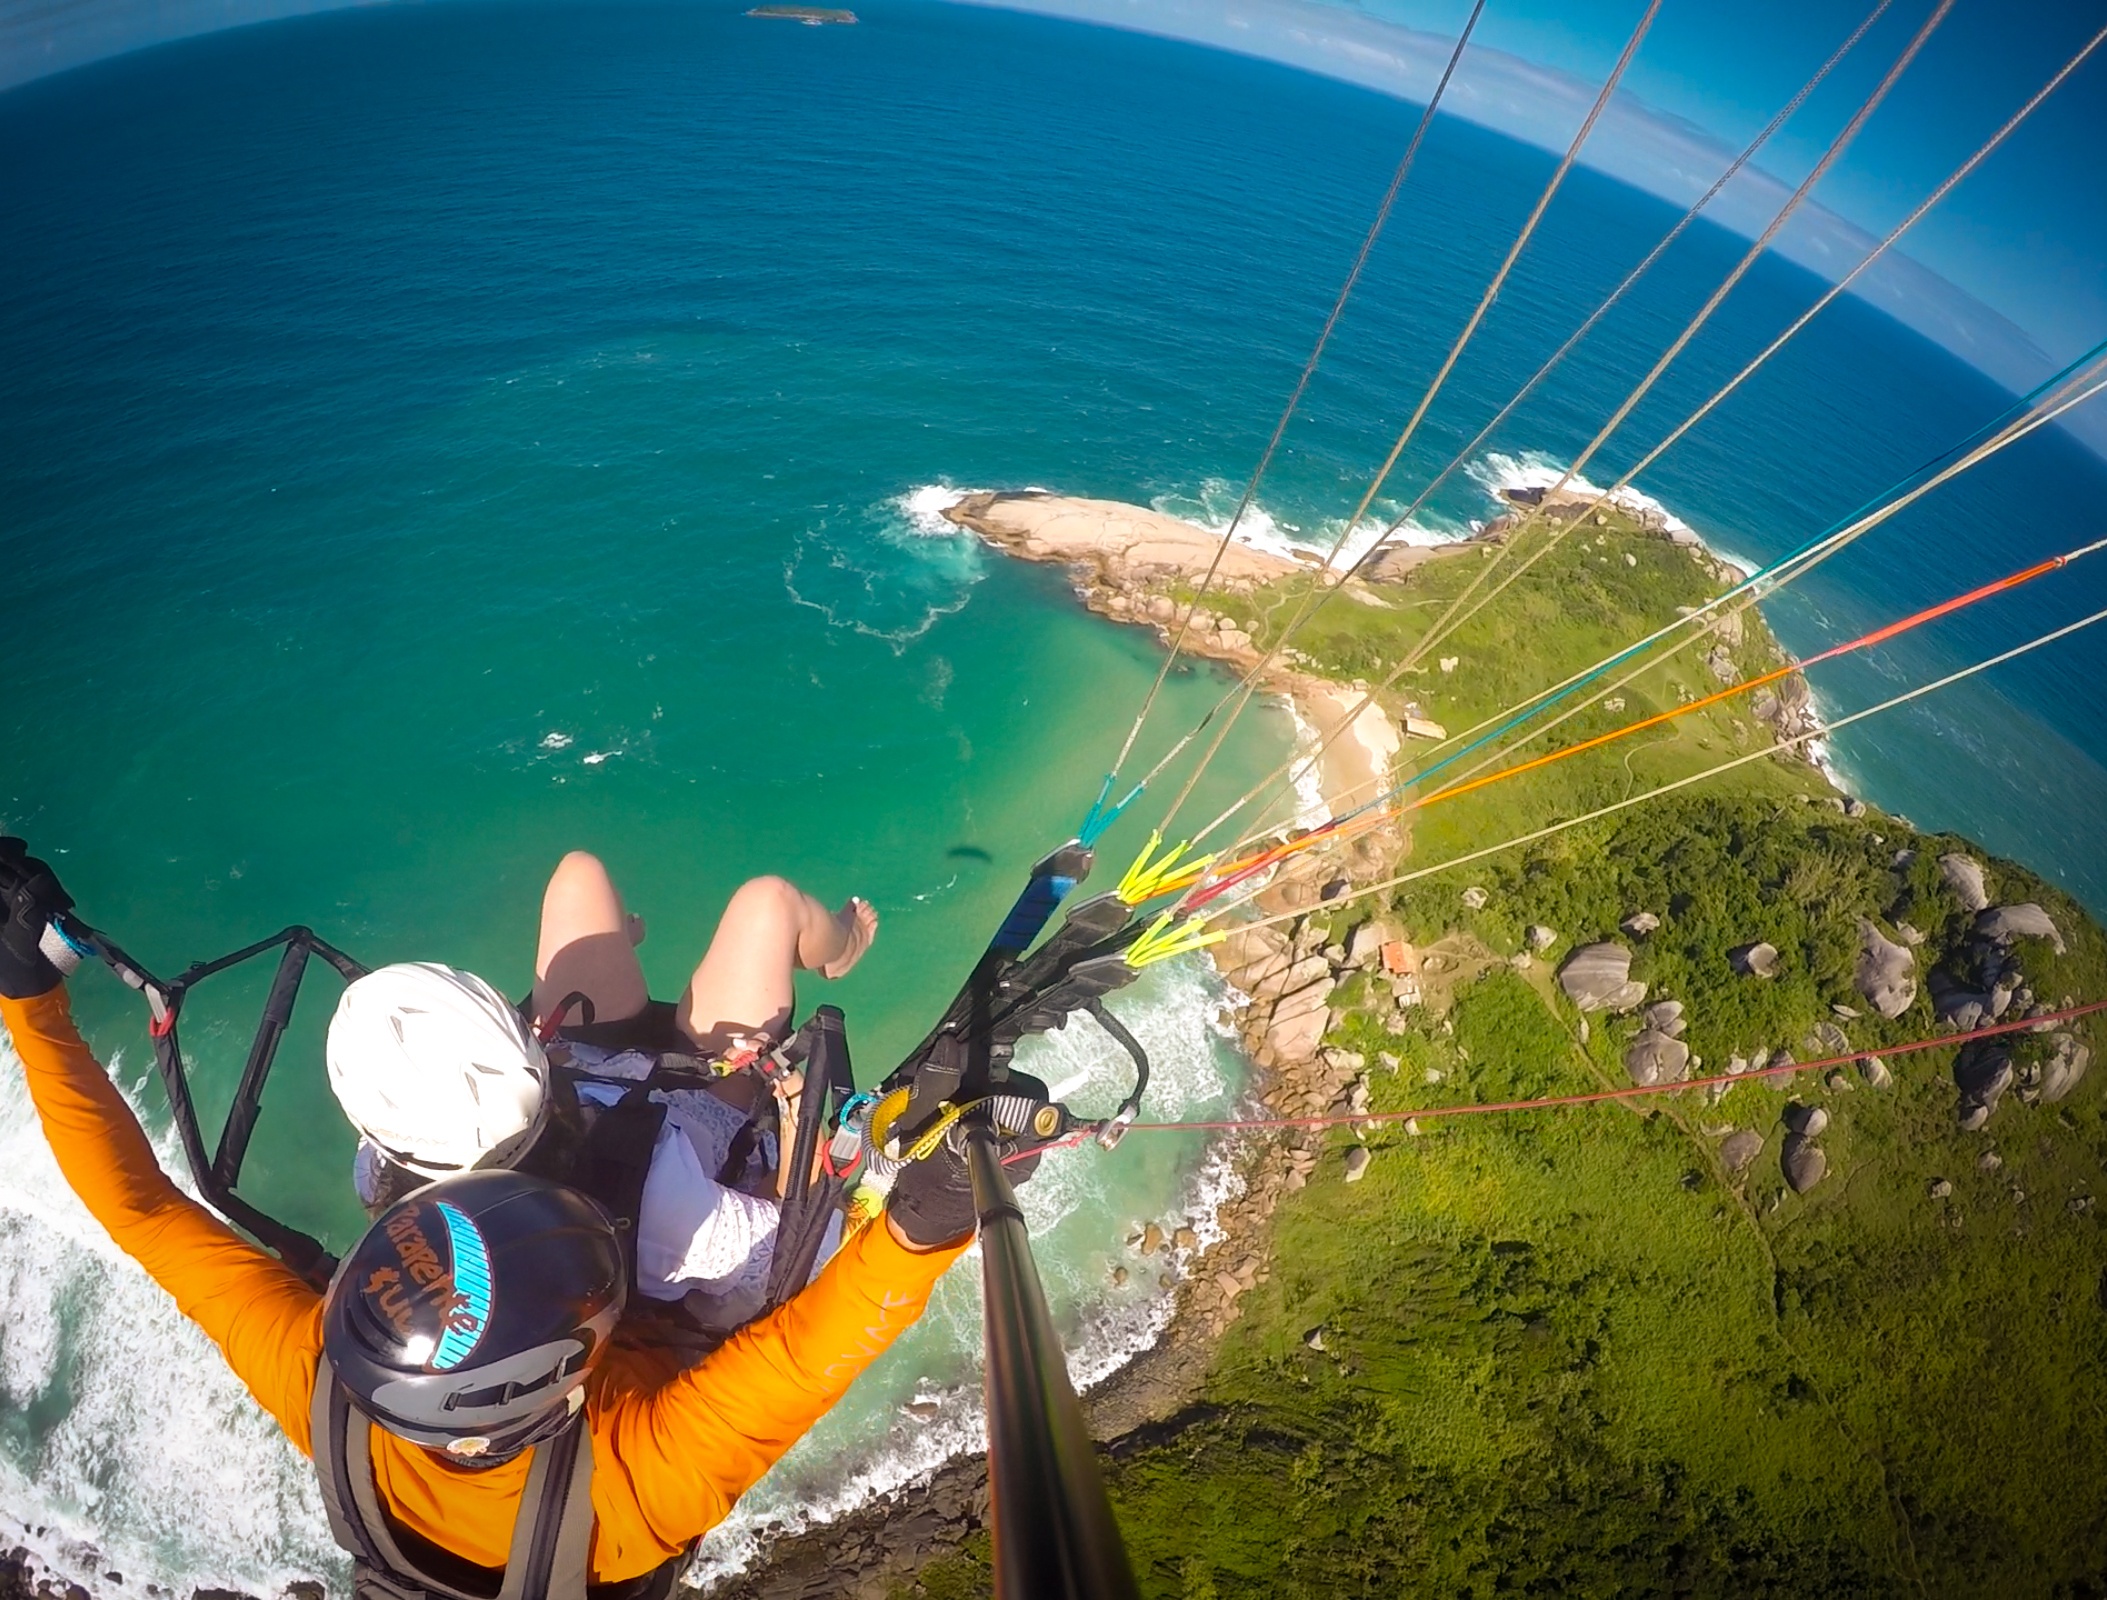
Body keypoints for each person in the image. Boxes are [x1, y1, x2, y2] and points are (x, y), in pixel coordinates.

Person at [0, 838, 996, 1597]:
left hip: (637, 1148)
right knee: (737, 902)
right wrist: (929, 1212)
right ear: (570, 1366)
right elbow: (802, 1344)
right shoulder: (623, 1486)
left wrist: (25, 991)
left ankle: (695, 977)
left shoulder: (340, 1387)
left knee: (630, 890)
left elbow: (138, 1210)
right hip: (676, 1185)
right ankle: (820, 949)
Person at [329, 854, 878, 1338]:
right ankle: (839, 948)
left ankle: (618, 945)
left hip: (586, 1069)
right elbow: (783, 1246)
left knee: (578, 876)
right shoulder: (663, 1199)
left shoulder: (392, 1162)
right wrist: (796, 1122)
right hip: (696, 1116)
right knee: (770, 903)